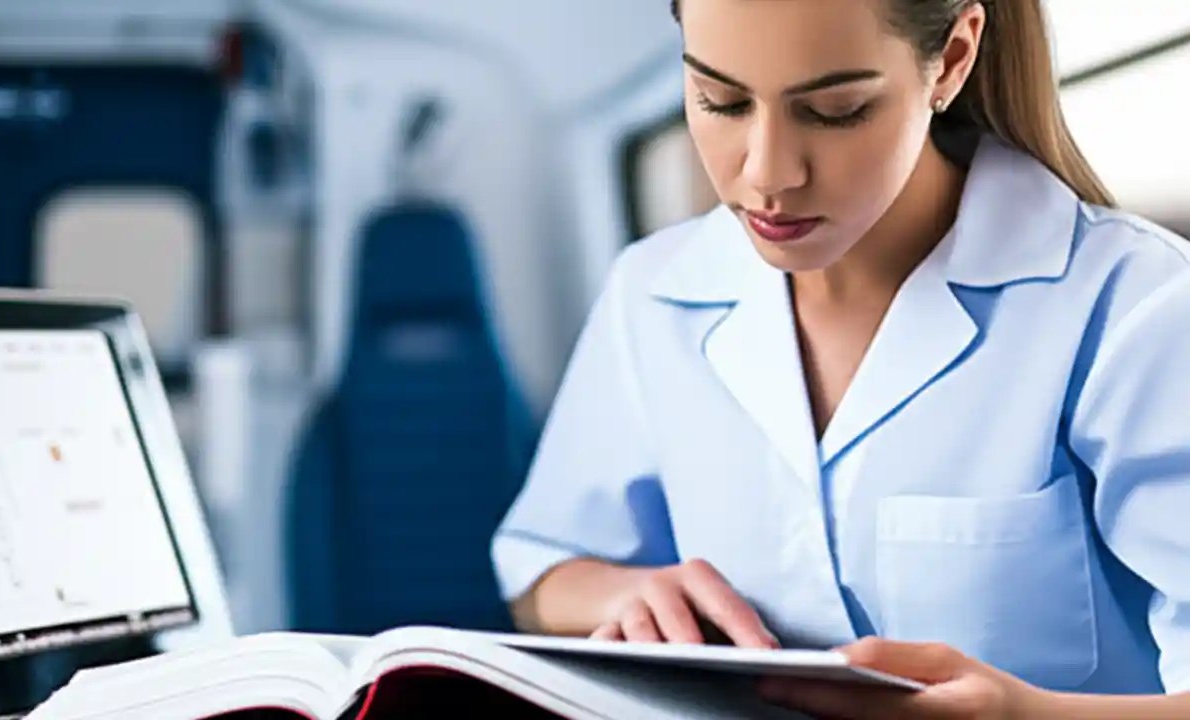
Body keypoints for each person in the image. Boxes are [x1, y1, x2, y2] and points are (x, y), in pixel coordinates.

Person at [489, 0, 1190, 716]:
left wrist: (1028, 716)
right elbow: (544, 565)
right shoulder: (653, 293)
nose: (768, 174)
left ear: (949, 60)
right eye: (719, 100)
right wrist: (629, 592)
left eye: (834, 110)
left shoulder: (1134, 309)